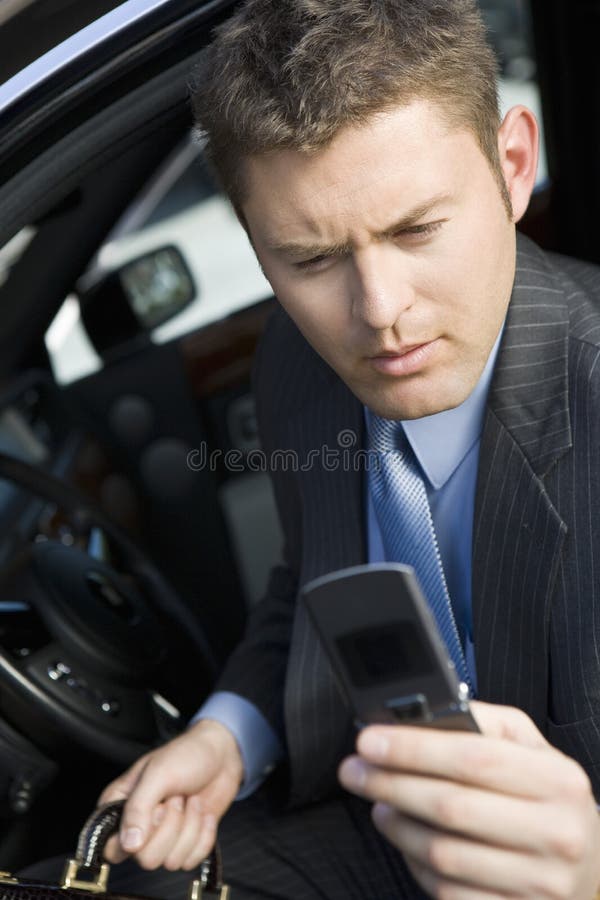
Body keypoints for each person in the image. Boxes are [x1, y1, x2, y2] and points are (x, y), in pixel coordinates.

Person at [94, 1, 600, 897]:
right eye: (312, 259)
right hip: (376, 828)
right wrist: (228, 735)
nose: (379, 312)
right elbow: (312, 582)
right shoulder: (296, 365)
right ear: (256, 248)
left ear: (514, 166)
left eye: (417, 230)